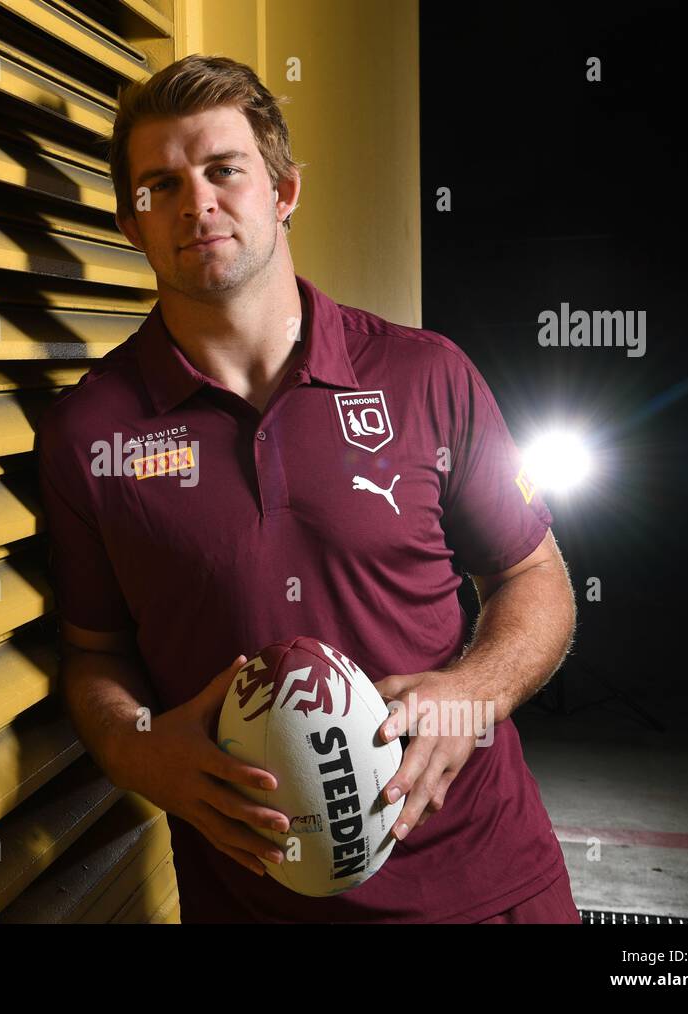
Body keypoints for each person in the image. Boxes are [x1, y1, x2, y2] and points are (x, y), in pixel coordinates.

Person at [35, 54, 580, 923]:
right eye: (160, 185)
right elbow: (94, 654)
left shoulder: (422, 374)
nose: (196, 202)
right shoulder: (88, 436)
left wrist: (475, 691)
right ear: (131, 224)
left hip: (488, 887)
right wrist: (143, 753)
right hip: (254, 905)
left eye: (223, 171)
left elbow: (533, 577)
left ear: (285, 191)